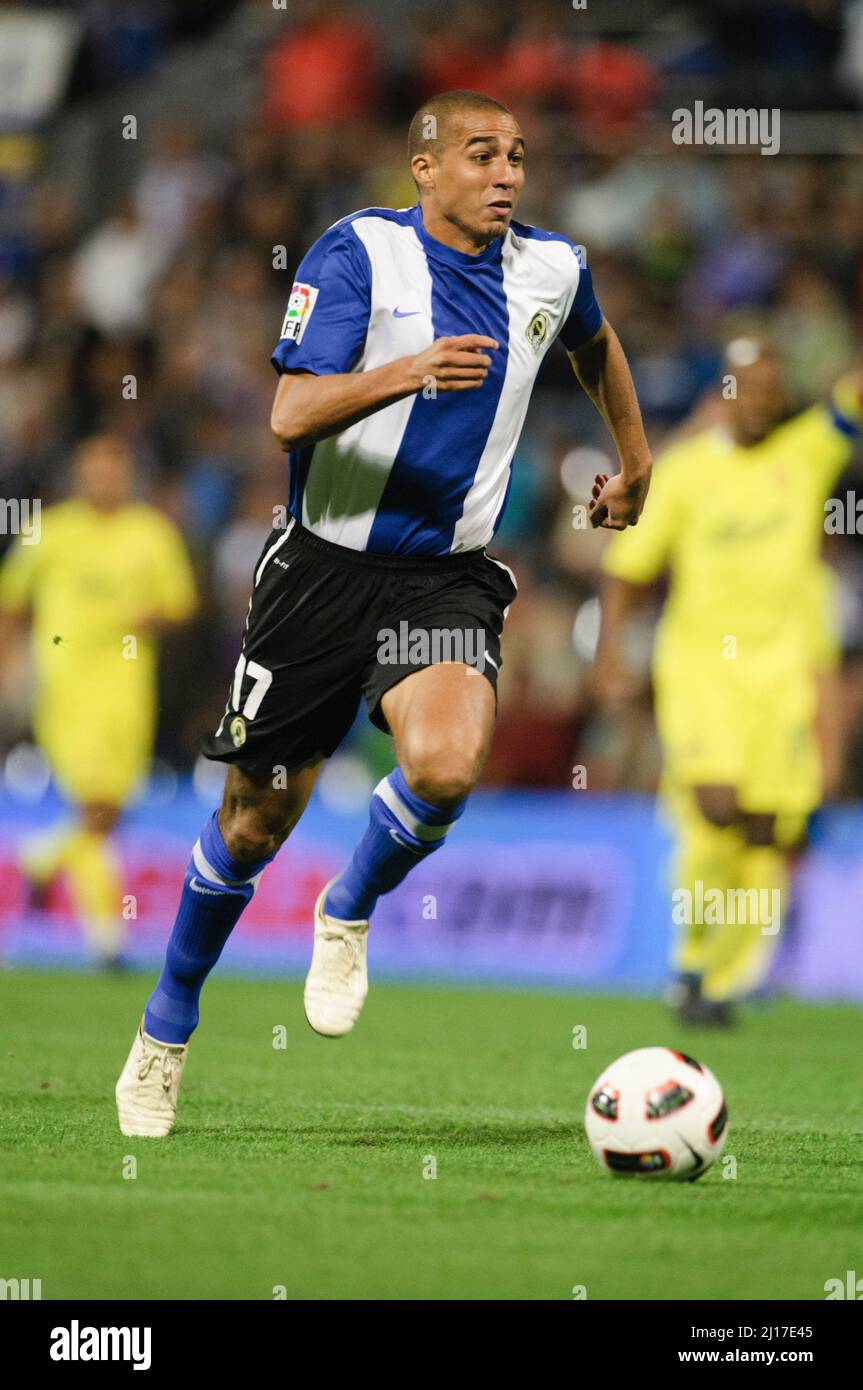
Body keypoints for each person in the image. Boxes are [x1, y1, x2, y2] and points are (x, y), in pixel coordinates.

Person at [115, 88, 652, 1138]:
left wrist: (635, 462)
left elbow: (594, 347)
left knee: (447, 766)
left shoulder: (552, 268)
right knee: (254, 822)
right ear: (423, 168)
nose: (506, 174)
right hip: (321, 572)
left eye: (517, 157)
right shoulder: (358, 254)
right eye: (480, 155)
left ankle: (349, 905)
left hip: (442, 577)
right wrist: (405, 371)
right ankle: (163, 1027)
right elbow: (287, 413)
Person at [596, 338, 863, 1024]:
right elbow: (628, 569)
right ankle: (690, 961)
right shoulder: (682, 472)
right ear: (724, 393)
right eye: (747, 386)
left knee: (768, 828)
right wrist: (609, 656)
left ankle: (722, 978)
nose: (761, 399)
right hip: (698, 669)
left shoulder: (806, 453)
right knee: (716, 805)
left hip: (783, 675)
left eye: (772, 388)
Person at [0, 432, 197, 964]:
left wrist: (148, 617)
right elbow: (11, 600)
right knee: (94, 806)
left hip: (128, 691)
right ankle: (107, 939)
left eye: (113, 470)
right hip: (65, 688)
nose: (103, 480)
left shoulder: (151, 533)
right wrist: (9, 664)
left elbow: (181, 605)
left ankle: (40, 859)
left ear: (126, 476)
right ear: (79, 475)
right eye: (93, 470)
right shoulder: (53, 530)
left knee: (111, 812)